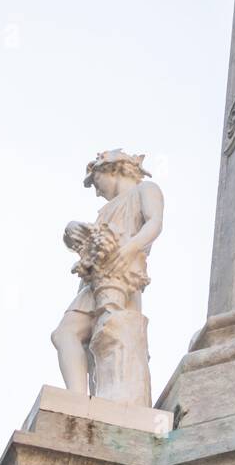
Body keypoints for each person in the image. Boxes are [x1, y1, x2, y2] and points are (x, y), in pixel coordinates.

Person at [51, 150, 164, 397]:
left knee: (103, 334)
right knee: (70, 335)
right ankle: (81, 400)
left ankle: (82, 401)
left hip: (123, 274)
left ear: (113, 169)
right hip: (97, 278)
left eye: (95, 181)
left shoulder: (145, 190)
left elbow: (154, 223)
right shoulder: (105, 211)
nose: (96, 190)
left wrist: (128, 249)